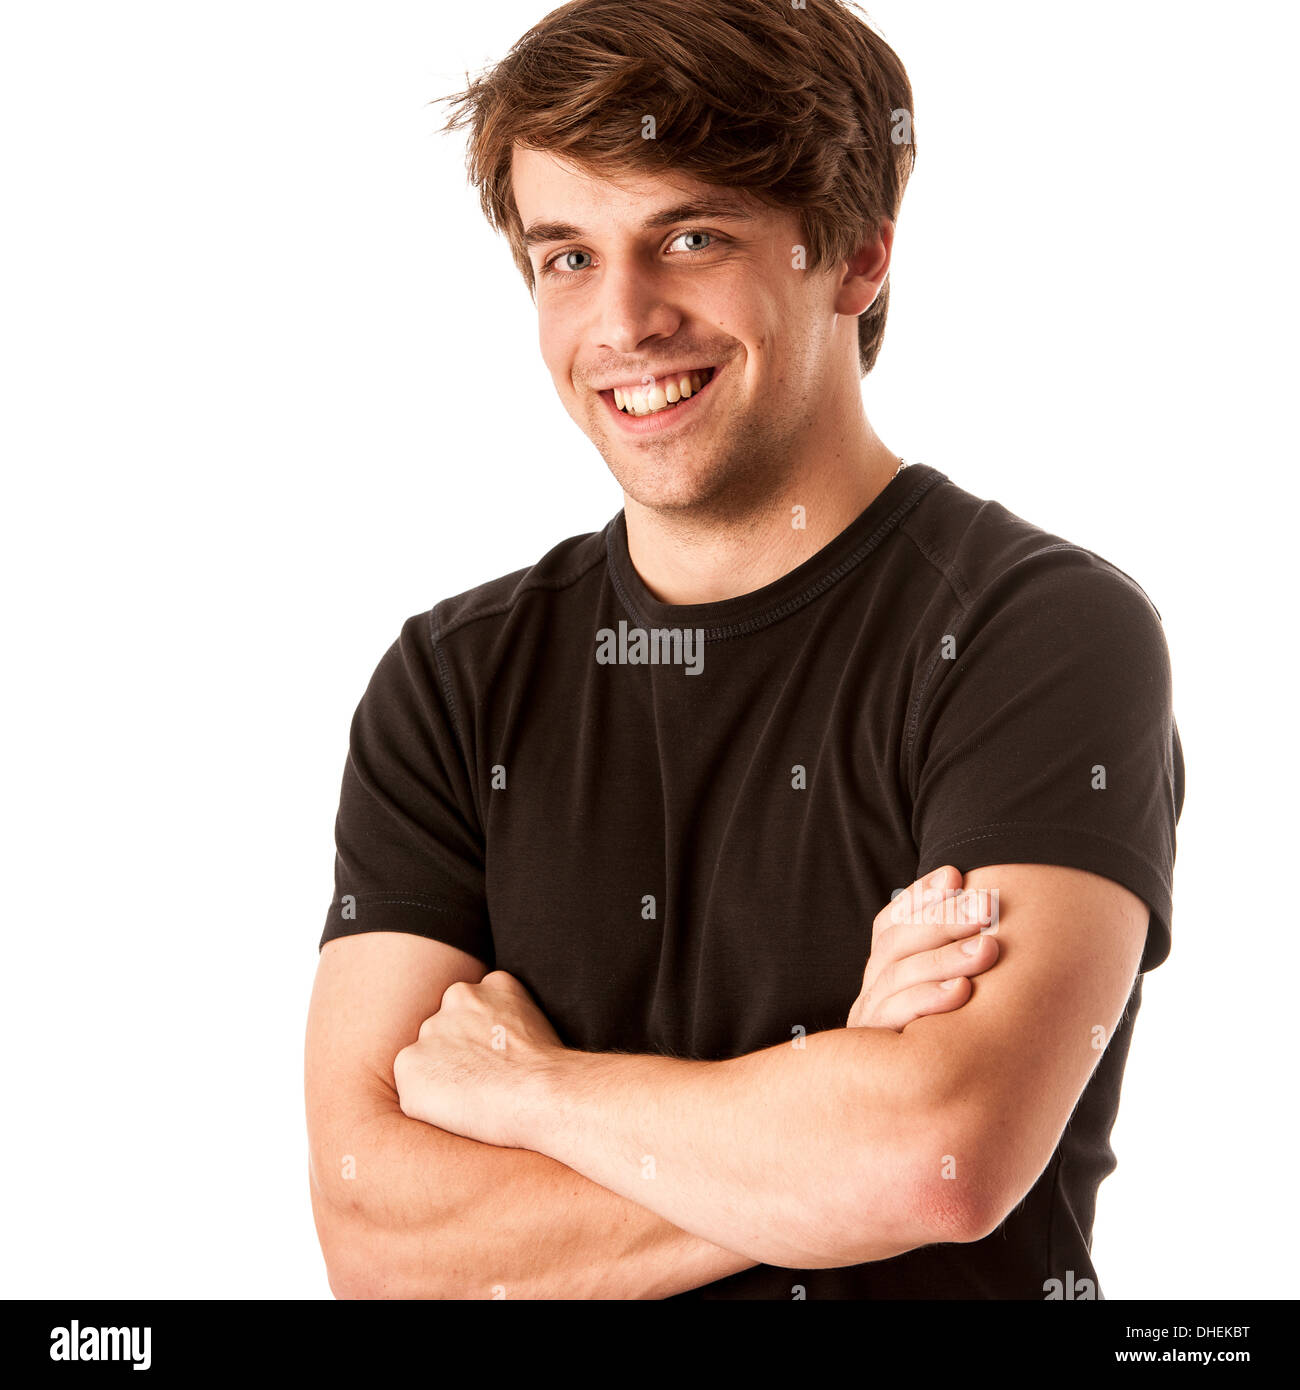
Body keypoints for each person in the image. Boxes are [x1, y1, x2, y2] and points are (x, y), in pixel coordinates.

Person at [304, 0, 1183, 1299]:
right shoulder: (450, 686)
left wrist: (536, 1091)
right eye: (567, 256)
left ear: (858, 254)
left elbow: (940, 1157)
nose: (623, 320)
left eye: (691, 237)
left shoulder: (1035, 634)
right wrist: (828, 1105)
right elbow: (380, 1239)